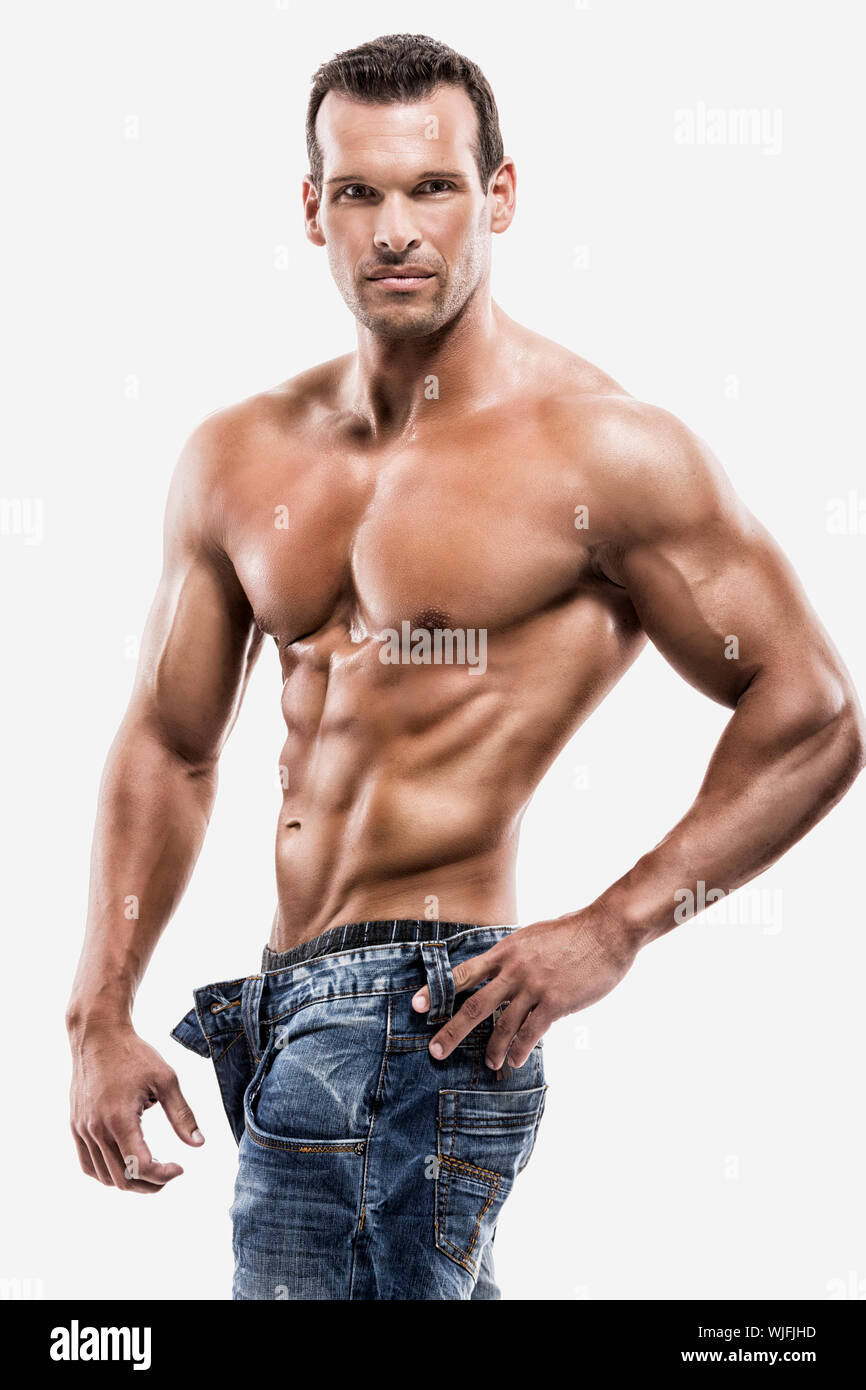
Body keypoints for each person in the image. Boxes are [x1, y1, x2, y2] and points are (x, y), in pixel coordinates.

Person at [66, 33, 864, 1300]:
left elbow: (812, 712)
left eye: (431, 187)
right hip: (278, 1010)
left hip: (425, 1009)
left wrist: (617, 926)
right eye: (358, 192)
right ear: (311, 208)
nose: (394, 227)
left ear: (497, 195)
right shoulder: (237, 456)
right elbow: (170, 746)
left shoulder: (603, 453)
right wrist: (96, 1015)